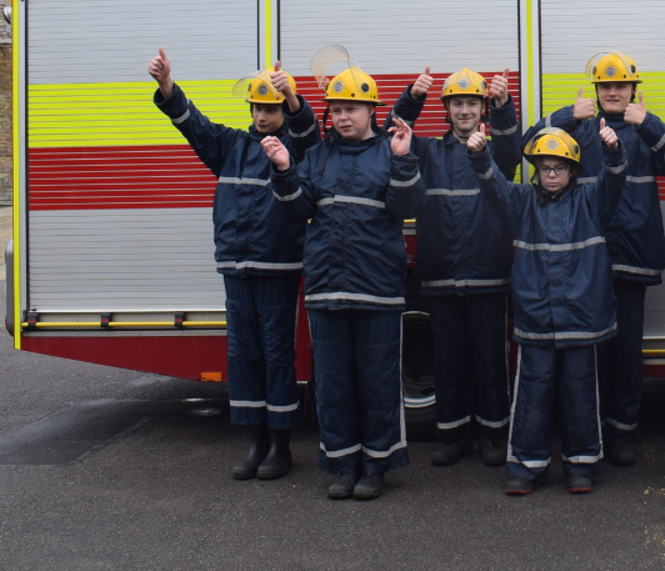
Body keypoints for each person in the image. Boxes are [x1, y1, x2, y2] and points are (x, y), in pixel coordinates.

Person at [148, 50, 318, 482]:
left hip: (278, 269)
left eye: (271, 109)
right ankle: (255, 442)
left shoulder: (295, 147)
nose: (263, 116)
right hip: (236, 269)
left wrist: (295, 101)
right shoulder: (230, 146)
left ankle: (281, 447)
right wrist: (168, 86)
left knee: (277, 356)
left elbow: (311, 135)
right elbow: (192, 124)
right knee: (244, 356)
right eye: (258, 108)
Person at [262, 62, 425, 501]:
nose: (342, 117)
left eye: (351, 108)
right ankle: (343, 465)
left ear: (371, 111)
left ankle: (376, 467)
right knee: (334, 385)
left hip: (377, 290)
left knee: (377, 384)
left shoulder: (390, 150)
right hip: (326, 289)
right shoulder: (316, 156)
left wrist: (405, 158)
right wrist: (282, 168)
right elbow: (295, 211)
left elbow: (407, 206)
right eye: (335, 110)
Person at [523, 51, 665, 465]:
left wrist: (651, 124)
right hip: (589, 262)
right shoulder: (579, 131)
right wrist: (566, 116)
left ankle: (622, 435)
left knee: (626, 352)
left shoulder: (644, 130)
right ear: (596, 91)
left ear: (632, 91)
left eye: (620, 85)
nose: (612, 92)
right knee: (590, 353)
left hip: (634, 257)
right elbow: (527, 144)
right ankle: (589, 433)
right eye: (605, 86)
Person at [471, 121, 627, 496]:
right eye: (544, 168)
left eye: (559, 167)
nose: (551, 174)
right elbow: (493, 186)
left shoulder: (592, 200)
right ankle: (526, 466)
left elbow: (616, 178)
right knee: (532, 393)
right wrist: (479, 155)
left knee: (580, 393)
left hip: (580, 318)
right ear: (536, 172)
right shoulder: (521, 202)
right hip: (537, 316)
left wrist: (613, 150)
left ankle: (581, 465)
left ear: (574, 171)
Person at [392, 66, 520, 468]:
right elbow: (390, 135)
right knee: (447, 362)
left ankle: (493, 436)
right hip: (441, 274)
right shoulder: (429, 151)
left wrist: (503, 106)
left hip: (488, 274)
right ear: (446, 109)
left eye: (471, 103)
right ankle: (453, 436)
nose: (464, 110)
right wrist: (412, 96)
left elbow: (513, 149)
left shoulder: (494, 152)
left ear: (481, 108)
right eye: (457, 103)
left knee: (489, 362)